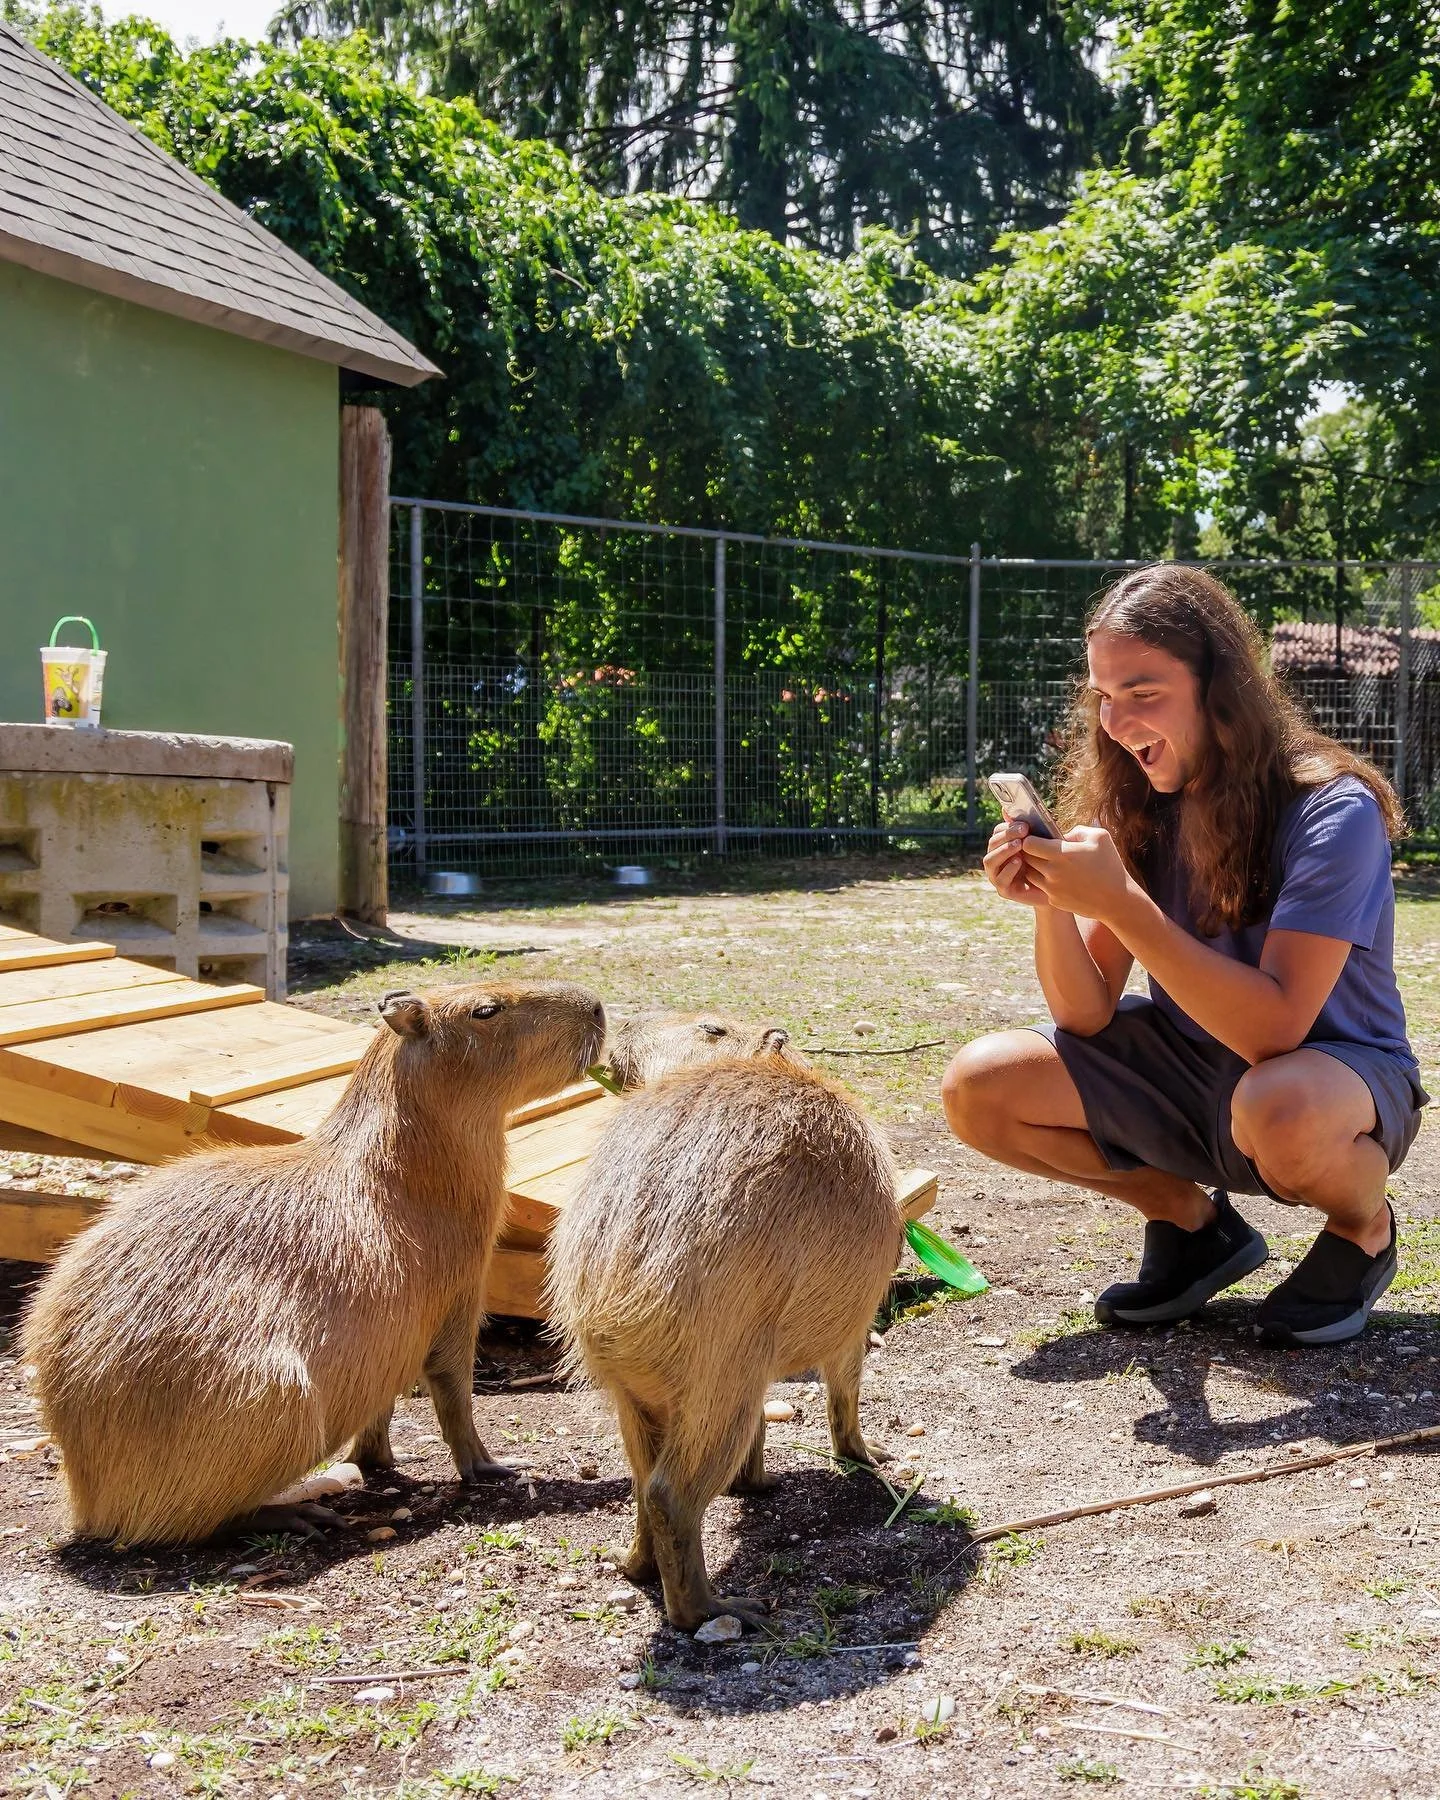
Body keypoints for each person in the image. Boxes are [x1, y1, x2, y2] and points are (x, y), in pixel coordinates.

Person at [941, 565, 1428, 1347]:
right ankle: (1191, 1222)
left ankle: (1362, 1227)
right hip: (1198, 1076)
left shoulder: (1333, 807)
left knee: (1278, 1102)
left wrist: (1124, 905)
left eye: (1143, 692)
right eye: (1104, 696)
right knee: (980, 1088)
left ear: (1220, 686)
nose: (1118, 722)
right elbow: (1084, 1012)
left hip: (1331, 1077)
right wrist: (1054, 908)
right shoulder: (1137, 801)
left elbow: (1276, 1030)